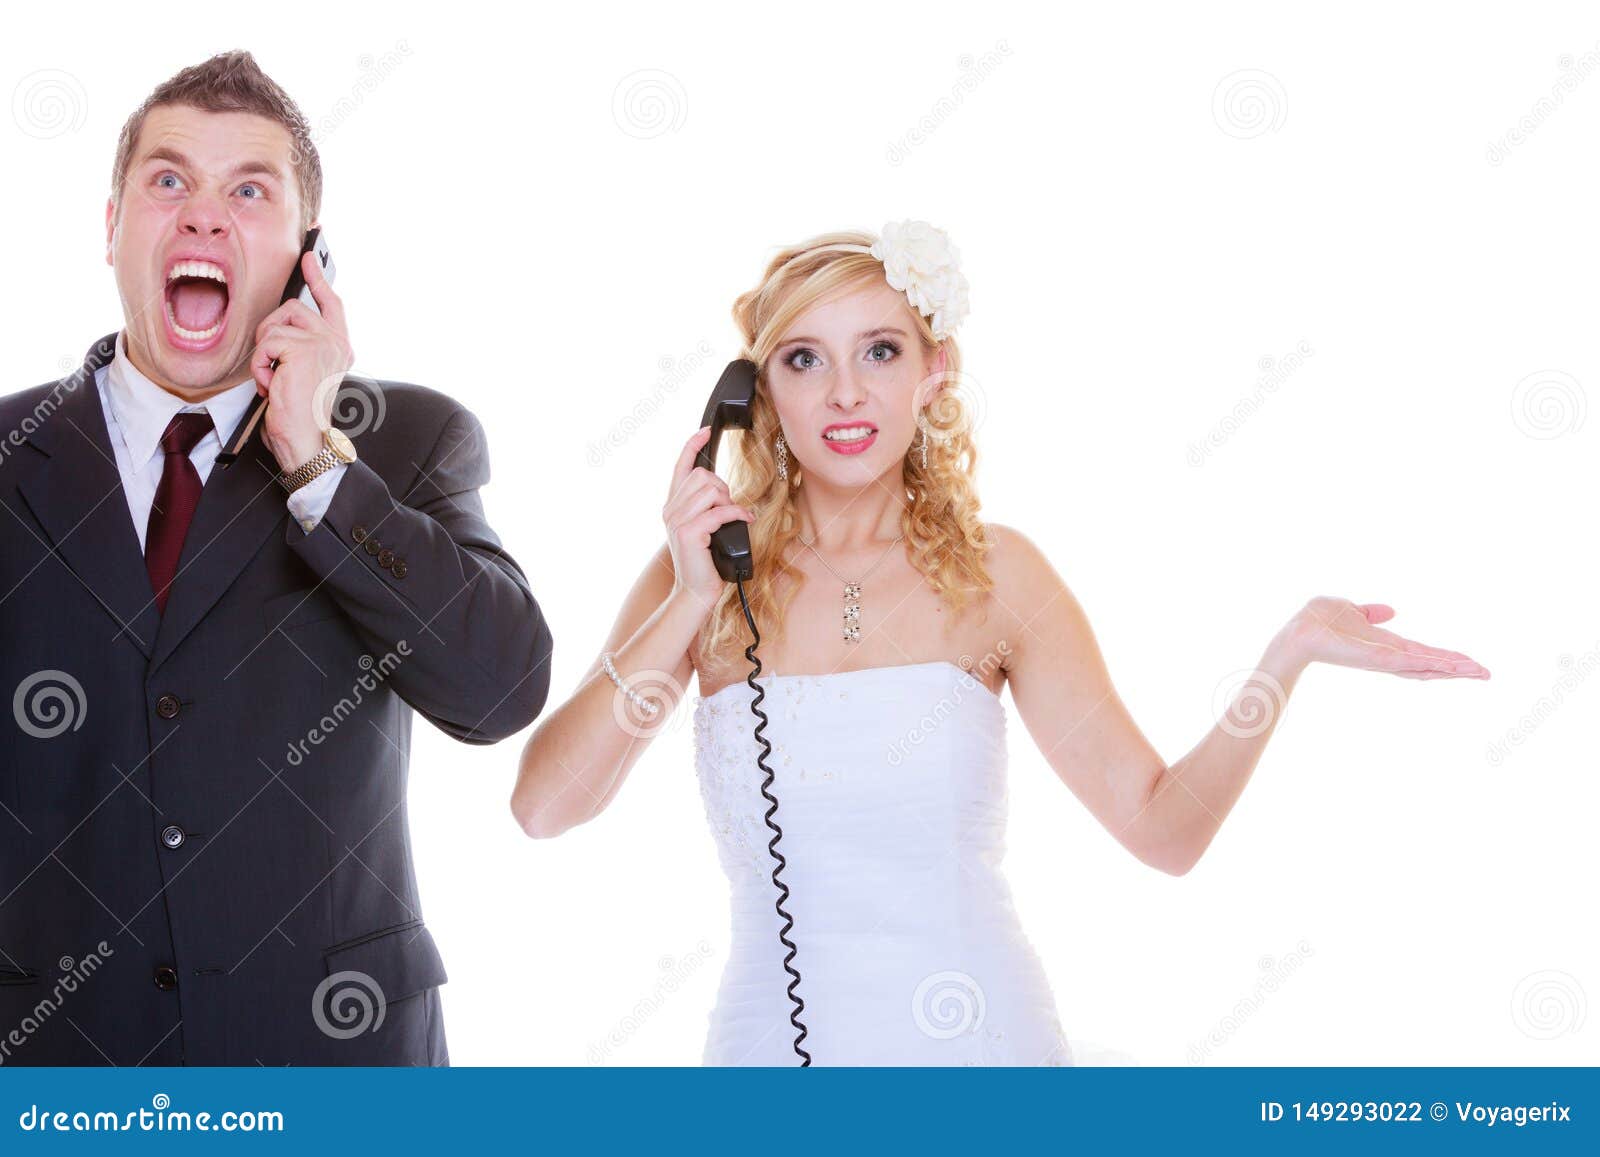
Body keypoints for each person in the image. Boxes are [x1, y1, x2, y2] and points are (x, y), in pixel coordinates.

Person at [511, 220, 1487, 1065]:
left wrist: (1286, 657)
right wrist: (689, 596)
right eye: (804, 358)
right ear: (753, 391)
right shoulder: (694, 576)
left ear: (935, 370)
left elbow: (1164, 829)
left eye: (880, 351)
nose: (845, 392)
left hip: (980, 1052)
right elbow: (545, 807)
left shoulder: (997, 575)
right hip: (769, 1053)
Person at [0, 50, 553, 1065]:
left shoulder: (402, 439)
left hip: (336, 1061)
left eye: (248, 190)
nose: (204, 216)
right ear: (112, 226)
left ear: (309, 254)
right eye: (169, 181)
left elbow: (499, 687)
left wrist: (314, 460)